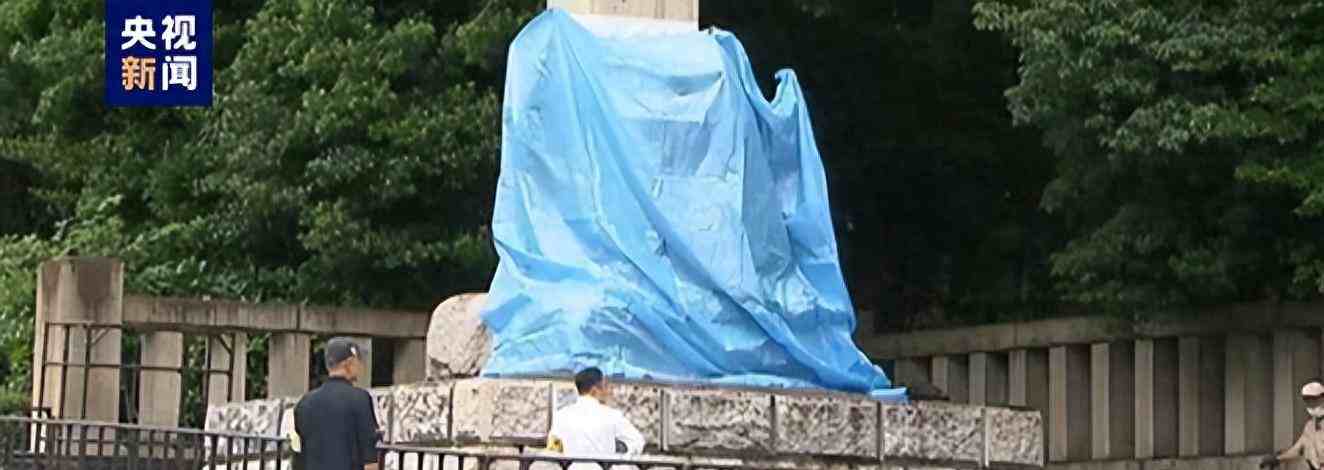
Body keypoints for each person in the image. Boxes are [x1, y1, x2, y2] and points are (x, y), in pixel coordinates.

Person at [293, 337, 381, 470]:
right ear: (349, 363)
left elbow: (299, 455)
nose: (361, 366)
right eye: (359, 361)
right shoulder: (360, 399)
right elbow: (369, 458)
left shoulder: (304, 404)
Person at [546, 367, 645, 467]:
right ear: (594, 390)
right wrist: (620, 450)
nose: (608, 390)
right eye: (605, 386)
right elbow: (637, 441)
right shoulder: (611, 415)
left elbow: (553, 449)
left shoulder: (561, 415)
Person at [1262, 380, 1324, 469]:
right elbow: (1298, 449)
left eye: (1315, 399)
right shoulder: (1310, 426)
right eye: (1308, 400)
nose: (1312, 403)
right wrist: (1277, 458)